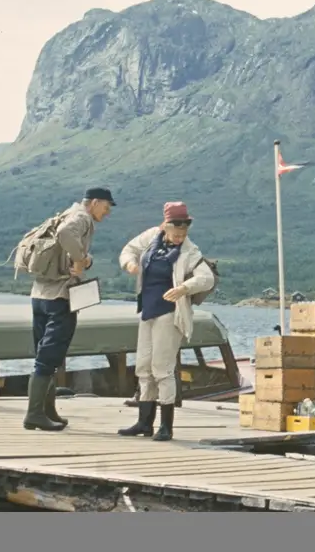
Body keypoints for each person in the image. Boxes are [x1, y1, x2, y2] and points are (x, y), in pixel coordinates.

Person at [116, 201, 216, 441]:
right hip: (148, 310)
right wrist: (130, 263)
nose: (180, 238)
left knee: (162, 368)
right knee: (143, 366)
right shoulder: (152, 237)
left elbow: (207, 278)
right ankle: (144, 422)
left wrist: (184, 288)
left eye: (183, 234)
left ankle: (166, 426)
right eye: (176, 233)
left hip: (170, 313)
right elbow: (128, 249)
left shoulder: (190, 252)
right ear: (165, 226)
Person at [23, 187, 115, 431]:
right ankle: (34, 414)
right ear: (94, 202)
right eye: (106, 207)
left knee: (44, 355)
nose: (106, 213)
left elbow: (64, 239)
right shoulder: (82, 218)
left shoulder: (64, 214)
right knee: (49, 357)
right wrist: (79, 261)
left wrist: (84, 259)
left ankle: (47, 409)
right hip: (60, 297)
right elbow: (66, 235)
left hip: (40, 294)